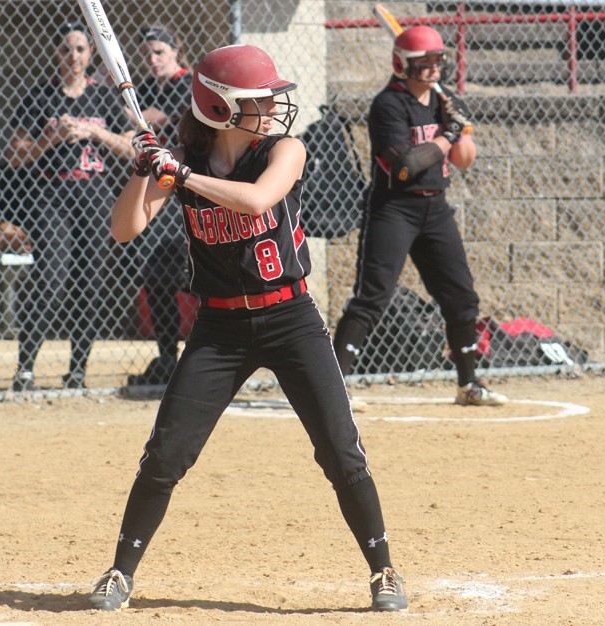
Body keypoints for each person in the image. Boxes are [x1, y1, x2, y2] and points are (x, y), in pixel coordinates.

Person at [88, 44, 408, 613]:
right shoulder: (184, 157)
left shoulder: (286, 149)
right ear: (220, 107)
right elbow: (123, 228)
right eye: (259, 99)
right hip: (219, 328)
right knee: (166, 454)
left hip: (292, 319)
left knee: (341, 450)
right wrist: (145, 172)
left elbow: (256, 200)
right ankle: (119, 571)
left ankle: (383, 570)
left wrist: (180, 173)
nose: (274, 105)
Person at [331, 26, 508, 407]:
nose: (432, 69)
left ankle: (469, 384)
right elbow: (406, 167)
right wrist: (447, 134)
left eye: (436, 61)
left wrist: (461, 132)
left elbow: (464, 161)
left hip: (436, 209)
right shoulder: (388, 106)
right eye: (422, 63)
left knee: (461, 297)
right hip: (394, 208)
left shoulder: (444, 101)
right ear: (401, 64)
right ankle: (333, 388)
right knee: (372, 298)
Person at [5, 21, 133, 392]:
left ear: (91, 53)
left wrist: (94, 132)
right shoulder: (39, 96)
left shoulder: (103, 98)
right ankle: (25, 368)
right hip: (52, 196)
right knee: (52, 279)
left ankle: (78, 370)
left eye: (80, 49)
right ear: (55, 53)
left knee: (90, 283)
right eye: (65, 49)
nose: (73, 56)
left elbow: (130, 149)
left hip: (93, 196)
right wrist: (50, 138)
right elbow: (15, 155)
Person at [126, 25, 194, 387]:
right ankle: (169, 356)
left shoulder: (187, 83)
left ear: (175, 52)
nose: (152, 60)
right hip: (159, 192)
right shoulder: (151, 86)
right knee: (155, 277)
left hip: (186, 186)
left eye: (159, 53)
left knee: (190, 272)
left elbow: (158, 117)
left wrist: (130, 119)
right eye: (147, 54)